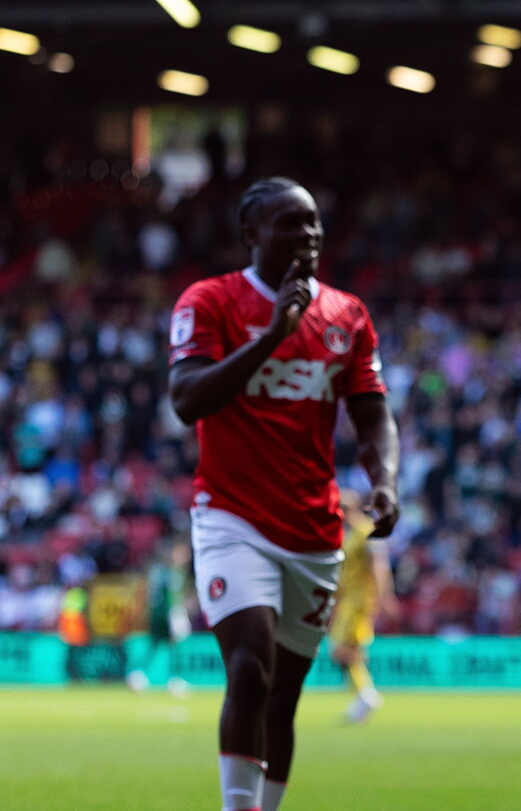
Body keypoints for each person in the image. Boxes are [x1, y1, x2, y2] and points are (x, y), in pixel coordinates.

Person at [168, 177, 400, 811]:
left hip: (314, 529)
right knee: (249, 665)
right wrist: (270, 336)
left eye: (314, 223)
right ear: (252, 235)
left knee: (284, 695)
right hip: (232, 518)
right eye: (291, 225)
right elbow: (188, 399)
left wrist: (384, 481)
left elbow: (372, 413)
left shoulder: (347, 315)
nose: (309, 236)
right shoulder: (210, 301)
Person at [329, 489, 399, 724]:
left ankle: (366, 694)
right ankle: (363, 696)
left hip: (359, 602)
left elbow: (379, 567)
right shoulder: (347, 535)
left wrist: (384, 597)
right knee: (351, 651)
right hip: (348, 600)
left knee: (340, 649)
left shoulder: (366, 532)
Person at [126, 539, 194, 696]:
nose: (185, 557)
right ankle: (170, 679)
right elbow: (167, 598)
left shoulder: (164, 572)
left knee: (159, 647)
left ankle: (140, 675)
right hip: (166, 616)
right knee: (166, 647)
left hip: (163, 615)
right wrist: (175, 616)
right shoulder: (170, 573)